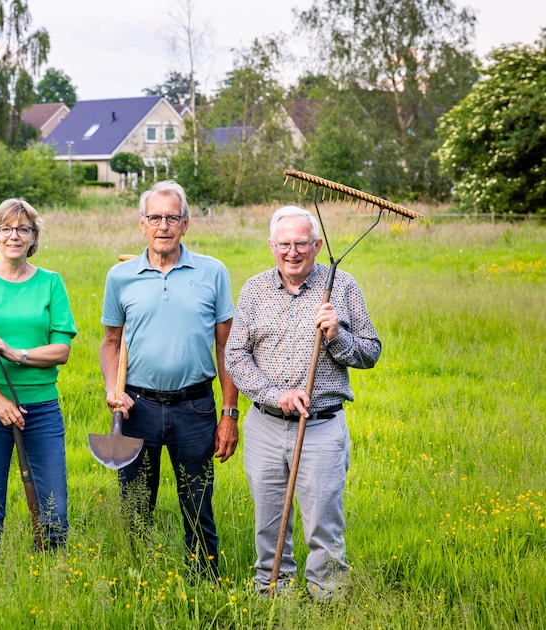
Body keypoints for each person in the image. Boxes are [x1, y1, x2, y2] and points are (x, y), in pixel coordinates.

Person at [226, 205, 381, 601]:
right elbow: (236, 356)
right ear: (271, 245)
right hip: (265, 423)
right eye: (284, 244)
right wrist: (275, 394)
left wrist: (335, 335)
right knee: (268, 521)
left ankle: (327, 598)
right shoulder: (254, 290)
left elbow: (370, 352)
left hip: (321, 426)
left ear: (317, 245)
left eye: (300, 244)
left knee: (323, 523)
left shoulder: (342, 287)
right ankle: (271, 594)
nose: (291, 252)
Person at [99, 180, 239, 579]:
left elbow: (226, 348)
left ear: (186, 224)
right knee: (136, 506)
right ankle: (137, 581)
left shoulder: (212, 272)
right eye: (155, 217)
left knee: (198, 505)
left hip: (195, 408)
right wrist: (112, 390)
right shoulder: (121, 277)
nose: (164, 226)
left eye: (172, 218)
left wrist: (229, 413)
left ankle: (204, 583)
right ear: (142, 224)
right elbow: (111, 343)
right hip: (137, 408)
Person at [0, 198, 77, 549]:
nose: (14, 236)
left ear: (34, 237)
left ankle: (51, 572)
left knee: (53, 510)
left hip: (42, 410)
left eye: (23, 229)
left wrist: (15, 353)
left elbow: (62, 350)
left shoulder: (51, 283)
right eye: (5, 228)